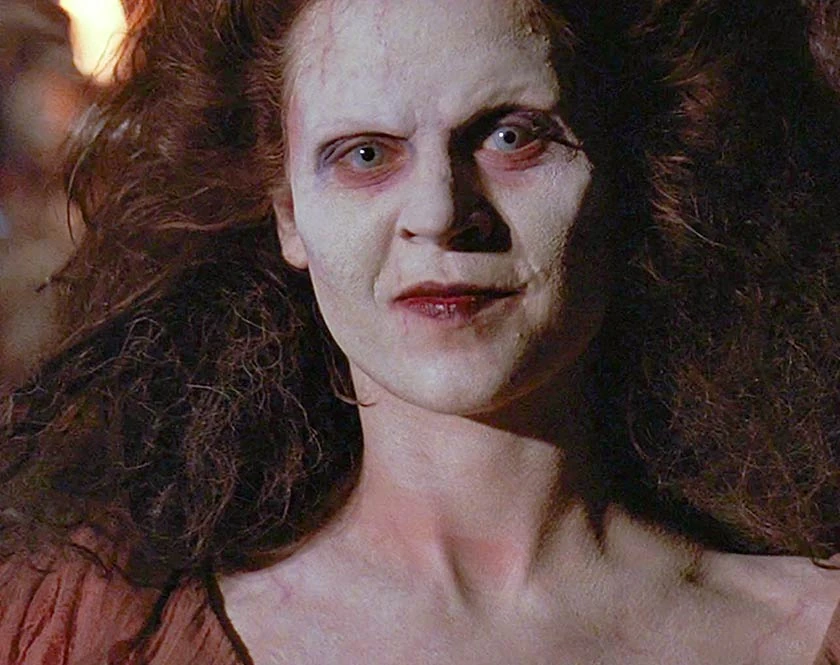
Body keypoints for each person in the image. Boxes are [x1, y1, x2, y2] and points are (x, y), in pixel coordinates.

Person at [1, 0, 840, 663]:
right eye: (366, 155)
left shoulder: (811, 628)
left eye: (511, 137)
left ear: (630, 173)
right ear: (289, 214)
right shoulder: (89, 633)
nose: (439, 211)